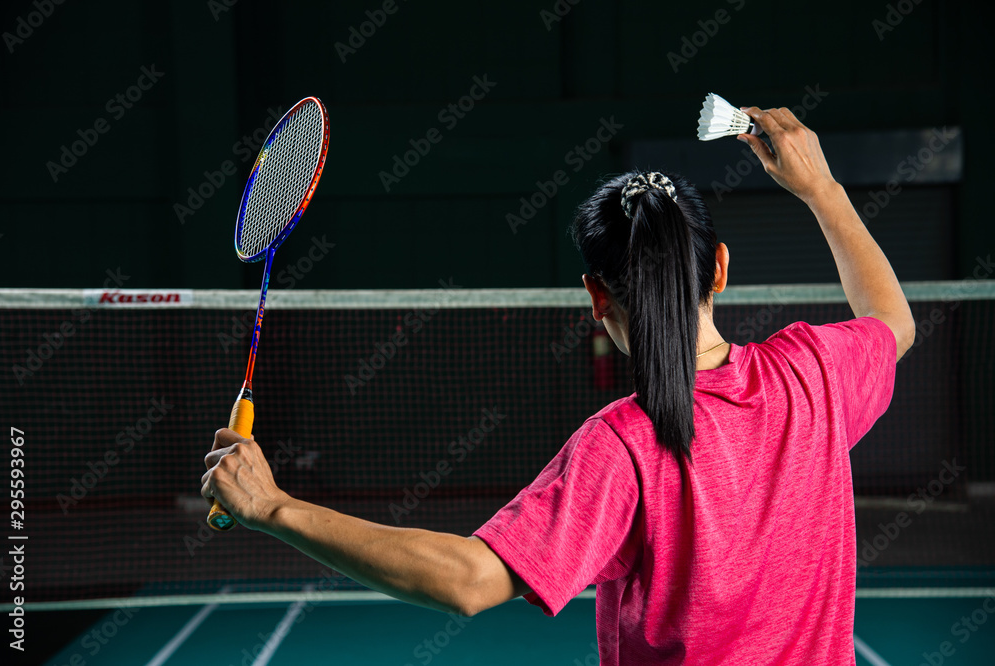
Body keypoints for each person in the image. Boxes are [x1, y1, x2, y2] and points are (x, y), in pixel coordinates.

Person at [201, 106, 915, 664]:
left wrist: (274, 507)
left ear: (596, 298)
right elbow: (893, 320)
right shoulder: (812, 373)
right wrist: (821, 188)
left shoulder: (622, 447)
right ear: (720, 269)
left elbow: (469, 581)